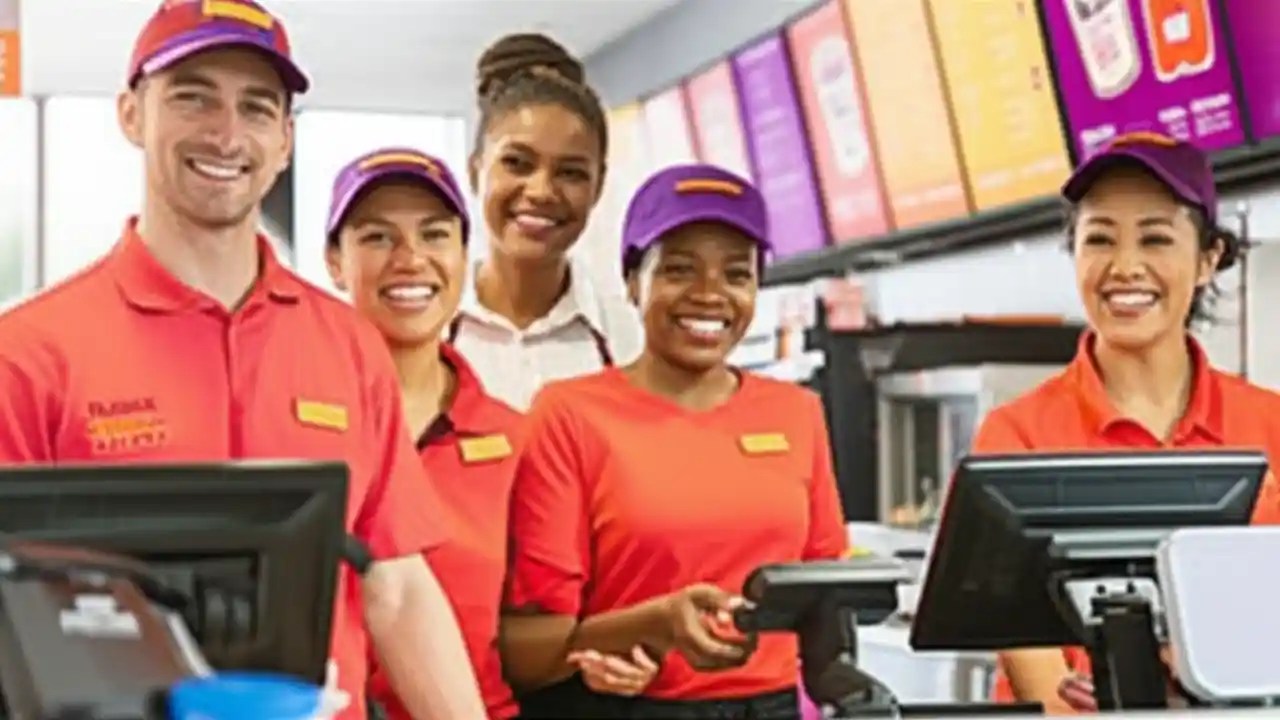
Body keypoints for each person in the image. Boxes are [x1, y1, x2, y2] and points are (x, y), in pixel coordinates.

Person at [0, 3, 487, 719]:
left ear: (285, 140)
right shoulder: (30, 352)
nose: (226, 135)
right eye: (193, 97)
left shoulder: (350, 345)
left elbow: (399, 586)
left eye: (256, 107)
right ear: (132, 114)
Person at [499, 164, 849, 719]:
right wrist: (653, 625)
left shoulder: (797, 413)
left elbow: (826, 593)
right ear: (632, 281)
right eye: (679, 270)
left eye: (737, 274)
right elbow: (528, 652)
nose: (709, 295)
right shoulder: (569, 415)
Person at [323, 147, 659, 720]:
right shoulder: (290, 422)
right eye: (377, 237)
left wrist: (616, 654)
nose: (410, 259)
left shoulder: (518, 441)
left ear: (463, 254)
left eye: (435, 235)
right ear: (335, 261)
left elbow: (547, 631)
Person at [973, 132, 1280, 714]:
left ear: (1208, 259)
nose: (1126, 267)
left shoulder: (1273, 426)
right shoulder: (1017, 436)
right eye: (1099, 239)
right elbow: (1037, 672)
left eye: (1155, 238)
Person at [453, 32, 644, 411]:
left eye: (570, 173)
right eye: (517, 163)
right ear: (476, 172)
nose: (541, 191)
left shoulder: (631, 338)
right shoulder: (424, 330)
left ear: (598, 187)